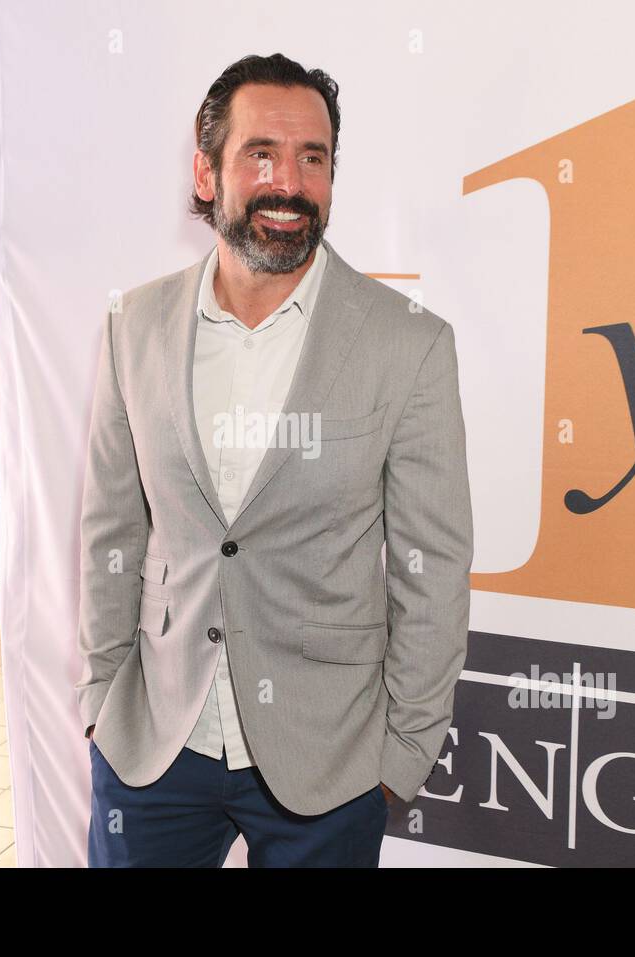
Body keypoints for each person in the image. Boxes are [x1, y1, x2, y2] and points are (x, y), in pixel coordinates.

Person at [76, 52, 472, 867]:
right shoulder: (134, 326)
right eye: (261, 153)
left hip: (329, 759)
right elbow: (108, 527)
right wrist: (100, 696)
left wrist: (403, 753)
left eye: (313, 158)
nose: (288, 183)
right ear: (206, 171)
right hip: (155, 744)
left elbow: (433, 566)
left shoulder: (409, 344)